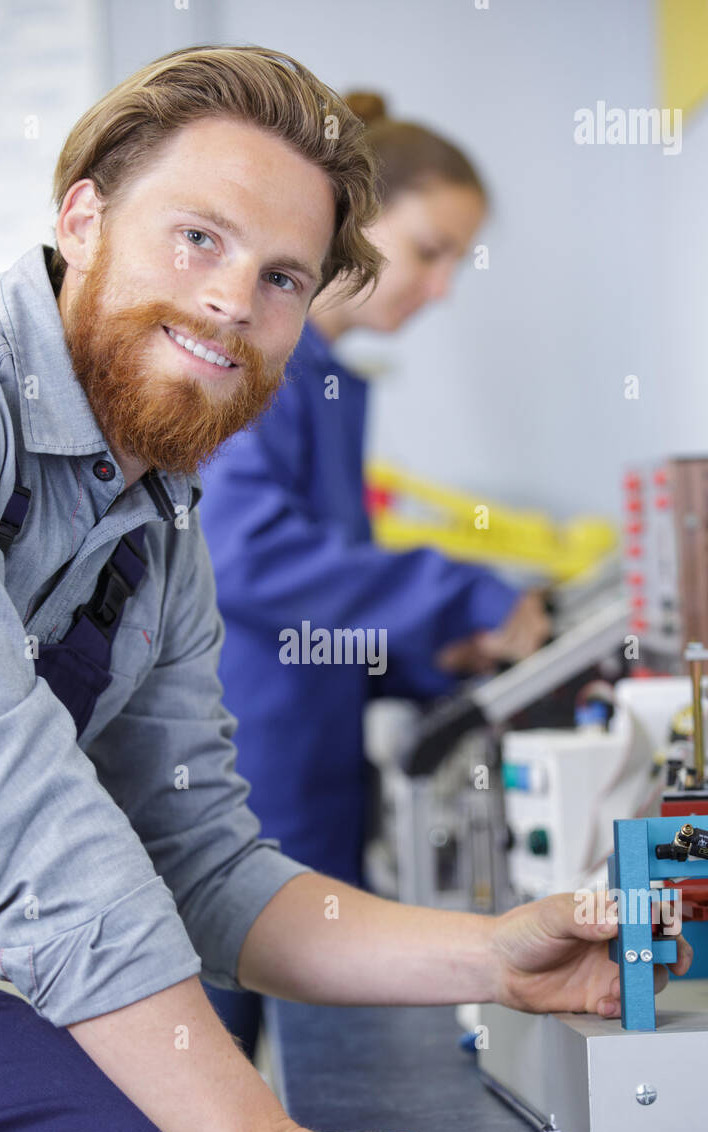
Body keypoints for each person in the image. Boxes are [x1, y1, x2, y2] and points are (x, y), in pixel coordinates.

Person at [0, 45, 690, 1132]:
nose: (232, 303)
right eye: (197, 238)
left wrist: (490, 955)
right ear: (81, 215)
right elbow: (0, 792)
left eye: (280, 277)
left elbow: (202, 858)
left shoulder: (158, 526)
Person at [200, 92, 549, 1055]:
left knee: (298, 1069)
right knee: (194, 1103)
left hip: (301, 781)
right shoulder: (261, 364)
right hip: (233, 780)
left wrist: (448, 651)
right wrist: (471, 596)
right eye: (431, 250)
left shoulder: (327, 381)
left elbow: (324, 605)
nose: (440, 287)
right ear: (354, 218)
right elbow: (246, 557)